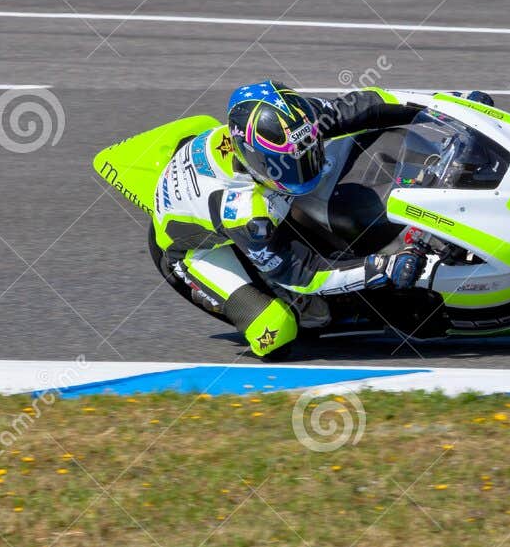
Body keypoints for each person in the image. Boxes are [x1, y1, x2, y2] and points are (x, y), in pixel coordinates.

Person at [149, 80, 435, 358]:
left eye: (307, 153)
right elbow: (303, 274)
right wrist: (381, 267)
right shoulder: (242, 211)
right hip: (196, 252)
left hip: (253, 199)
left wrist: (443, 104)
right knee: (279, 329)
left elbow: (367, 105)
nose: (301, 169)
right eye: (284, 165)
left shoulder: (294, 123)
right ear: (254, 158)